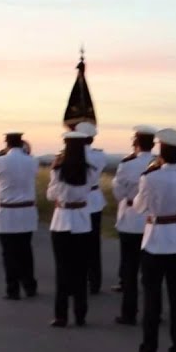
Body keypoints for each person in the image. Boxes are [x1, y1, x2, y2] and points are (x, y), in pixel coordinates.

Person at [128, 129, 176, 352]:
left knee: (152, 301)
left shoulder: (150, 177)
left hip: (156, 239)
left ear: (161, 152)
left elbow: (139, 207)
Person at [46, 131, 97, 327]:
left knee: (62, 270)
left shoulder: (58, 169)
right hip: (82, 221)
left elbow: (51, 195)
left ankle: (61, 315)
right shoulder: (90, 170)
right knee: (81, 270)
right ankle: (80, 313)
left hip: (62, 220)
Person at [0, 132, 39, 300]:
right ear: (22, 144)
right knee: (25, 250)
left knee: (9, 253)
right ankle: (30, 286)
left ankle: (12, 289)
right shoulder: (32, 161)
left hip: (6, 213)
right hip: (27, 212)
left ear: (6, 144)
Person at [111, 125, 157, 320]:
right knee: (151, 273)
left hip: (130, 218)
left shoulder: (126, 164)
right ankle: (153, 312)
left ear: (135, 143)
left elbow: (119, 192)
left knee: (130, 270)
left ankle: (129, 313)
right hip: (152, 220)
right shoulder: (158, 163)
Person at [75, 122, 107, 294]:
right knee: (93, 244)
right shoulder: (99, 156)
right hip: (94, 200)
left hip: (78, 200)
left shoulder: (71, 155)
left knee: (77, 244)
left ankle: (79, 278)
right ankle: (95, 281)